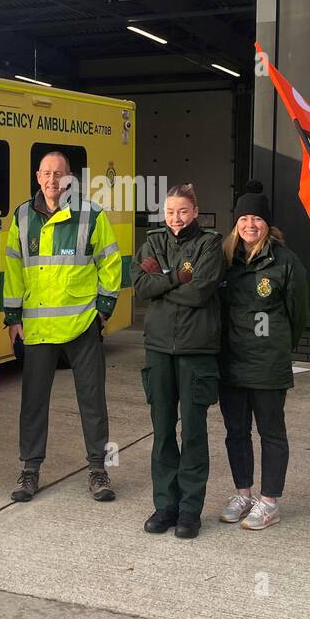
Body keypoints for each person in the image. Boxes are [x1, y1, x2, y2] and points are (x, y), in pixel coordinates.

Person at [3, 151, 123, 504]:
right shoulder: (22, 217)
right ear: (37, 176)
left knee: (93, 401)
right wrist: (11, 319)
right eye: (46, 173)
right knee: (33, 403)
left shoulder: (92, 214)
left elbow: (111, 262)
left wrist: (103, 309)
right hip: (38, 328)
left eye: (59, 173)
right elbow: (12, 270)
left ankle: (99, 470)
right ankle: (29, 470)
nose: (52, 180)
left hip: (82, 324)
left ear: (70, 177)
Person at [133, 183, 223, 539]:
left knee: (194, 433)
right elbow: (141, 286)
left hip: (195, 351)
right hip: (158, 349)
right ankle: (165, 505)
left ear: (195, 212)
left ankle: (190, 510)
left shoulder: (210, 244)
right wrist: (174, 277)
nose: (176, 218)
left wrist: (163, 284)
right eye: (170, 212)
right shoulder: (153, 241)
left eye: (182, 211)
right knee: (163, 432)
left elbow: (201, 291)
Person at [216, 182, 307, 531]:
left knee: (271, 433)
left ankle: (269, 502)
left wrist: (278, 347)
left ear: (268, 224)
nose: (250, 224)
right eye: (243, 218)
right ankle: (243, 494)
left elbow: (297, 314)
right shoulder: (225, 258)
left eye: (257, 218)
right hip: (231, 361)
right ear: (236, 222)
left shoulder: (285, 261)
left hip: (267, 363)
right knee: (235, 431)